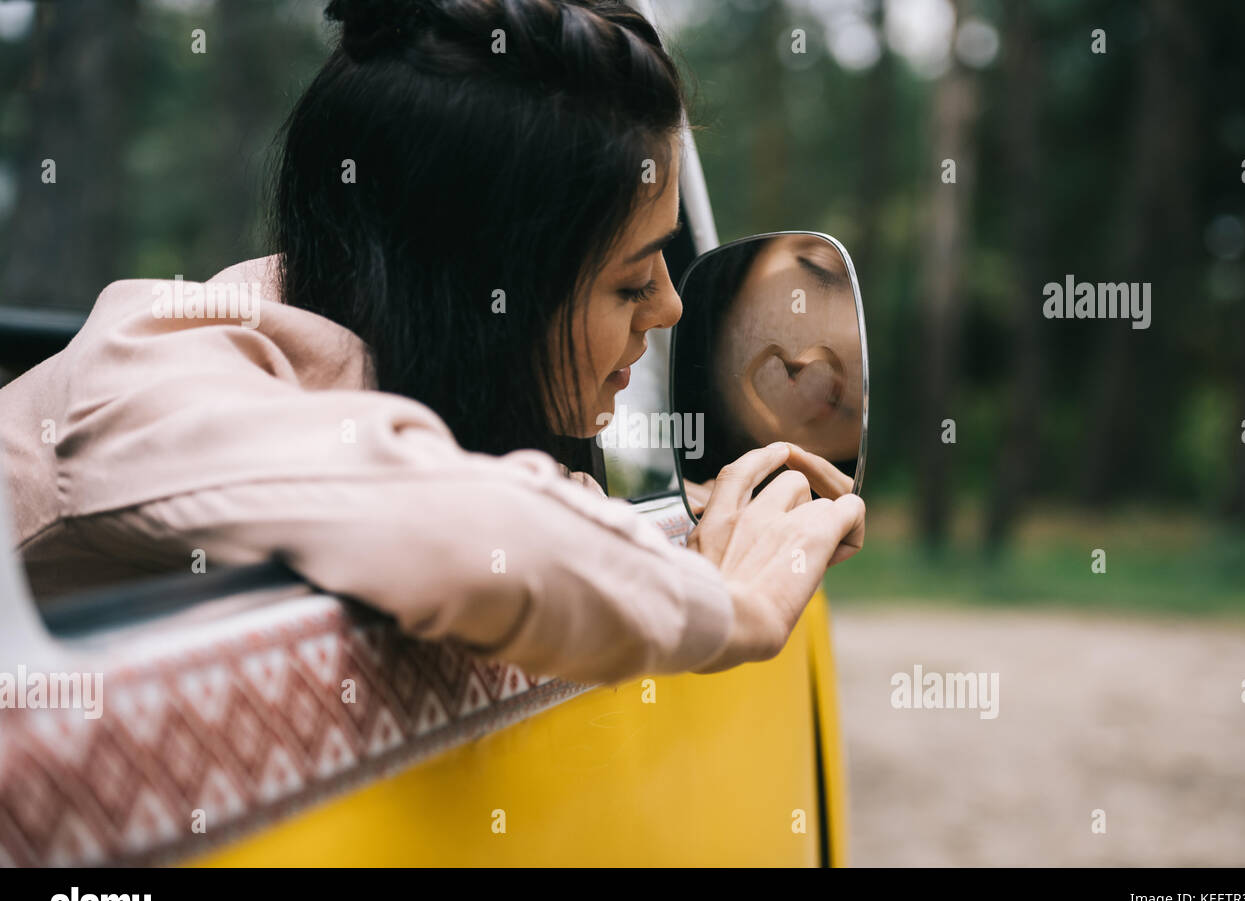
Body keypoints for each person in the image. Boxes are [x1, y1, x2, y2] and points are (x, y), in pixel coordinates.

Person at [0, 0, 863, 684]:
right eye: (632, 282)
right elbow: (455, 533)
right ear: (477, 295)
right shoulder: (151, 377)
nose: (672, 307)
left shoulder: (391, 381)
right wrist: (732, 603)